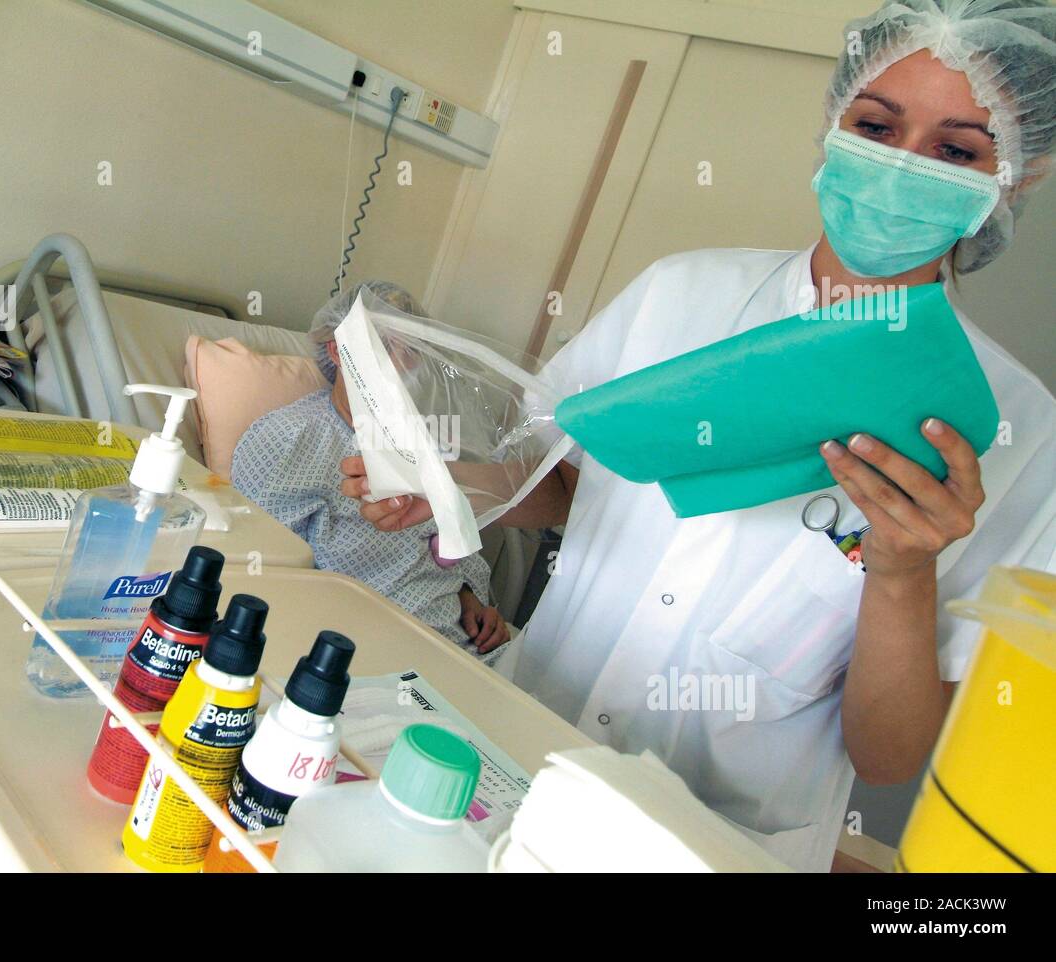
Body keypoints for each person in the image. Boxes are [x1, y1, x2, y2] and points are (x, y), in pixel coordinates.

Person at [341, 0, 1056, 871]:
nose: (901, 167)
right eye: (876, 125)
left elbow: (891, 757)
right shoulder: (679, 295)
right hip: (524, 747)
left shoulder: (1019, 436)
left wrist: (902, 576)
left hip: (724, 842)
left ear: (1013, 179)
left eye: (955, 150)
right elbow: (566, 483)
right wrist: (456, 487)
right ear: (833, 128)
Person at [232, 281, 511, 659]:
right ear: (338, 349)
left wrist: (469, 596)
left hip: (463, 642)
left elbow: (446, 541)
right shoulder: (291, 438)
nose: (400, 361)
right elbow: (260, 568)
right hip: (367, 650)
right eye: (384, 344)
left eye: (411, 348)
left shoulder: (424, 444)